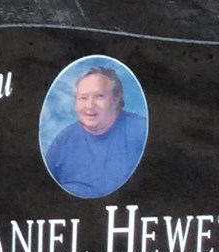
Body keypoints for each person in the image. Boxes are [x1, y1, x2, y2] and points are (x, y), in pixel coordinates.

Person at [44, 66, 148, 199]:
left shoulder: (141, 132)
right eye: (83, 98)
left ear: (116, 99)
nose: (90, 106)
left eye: (99, 96)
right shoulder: (62, 143)